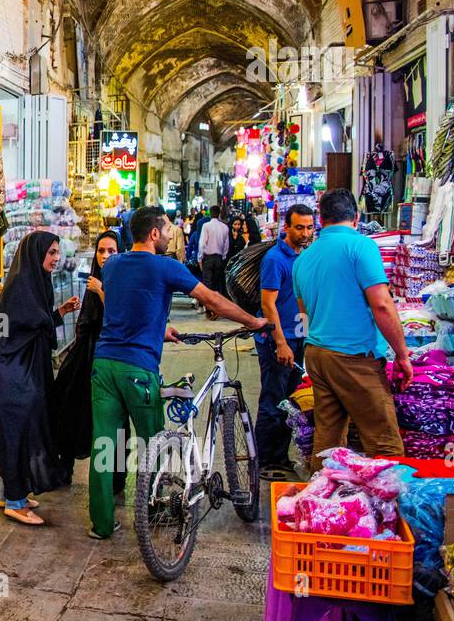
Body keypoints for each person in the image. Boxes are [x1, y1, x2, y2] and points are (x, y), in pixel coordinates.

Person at [89, 206, 266, 539]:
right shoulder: (166, 267)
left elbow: (128, 303)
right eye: (167, 228)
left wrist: (161, 329)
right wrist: (251, 321)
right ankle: (152, 507)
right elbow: (212, 299)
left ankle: (100, 523)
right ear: (154, 234)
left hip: (104, 365)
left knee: (105, 444)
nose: (171, 234)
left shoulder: (112, 265)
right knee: (152, 441)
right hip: (137, 370)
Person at [292, 188, 412, 471]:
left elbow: (304, 311)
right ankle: (393, 509)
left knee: (328, 440)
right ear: (356, 218)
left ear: (321, 219)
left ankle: (320, 503)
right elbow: (382, 305)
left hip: (318, 354)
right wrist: (403, 354)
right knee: (384, 443)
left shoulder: (303, 259)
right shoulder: (362, 246)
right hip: (354, 357)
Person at [0, 232, 80, 525]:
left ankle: (12, 493)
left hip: (22, 371)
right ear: (35, 254)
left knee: (24, 431)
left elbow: (33, 322)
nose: (55, 258)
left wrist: (58, 312)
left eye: (56, 252)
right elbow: (8, 333)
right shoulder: (20, 289)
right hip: (13, 375)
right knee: (17, 433)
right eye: (50, 253)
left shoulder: (33, 283)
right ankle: (14, 501)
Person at [49, 230, 119, 485]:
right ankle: (62, 466)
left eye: (111, 251)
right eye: (101, 251)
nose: (105, 256)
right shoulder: (94, 279)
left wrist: (101, 291)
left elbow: (119, 315)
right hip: (85, 354)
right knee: (67, 406)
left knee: (113, 420)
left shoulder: (113, 282)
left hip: (111, 356)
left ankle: (115, 478)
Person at [254, 204, 315, 480]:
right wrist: (280, 342)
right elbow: (268, 305)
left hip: (299, 337)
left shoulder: (305, 257)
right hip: (278, 340)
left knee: (291, 401)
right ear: (286, 228)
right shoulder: (275, 259)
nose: (305, 233)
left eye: (309, 227)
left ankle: (280, 457)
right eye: (299, 227)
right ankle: (266, 461)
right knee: (273, 400)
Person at [198, 205, 230, 310]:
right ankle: (216, 308)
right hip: (219, 258)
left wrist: (200, 258)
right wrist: (223, 256)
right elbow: (226, 245)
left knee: (207, 284)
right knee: (216, 284)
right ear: (219, 214)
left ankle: (208, 308)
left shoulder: (206, 226)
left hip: (208, 258)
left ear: (210, 214)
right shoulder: (225, 227)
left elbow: (202, 243)